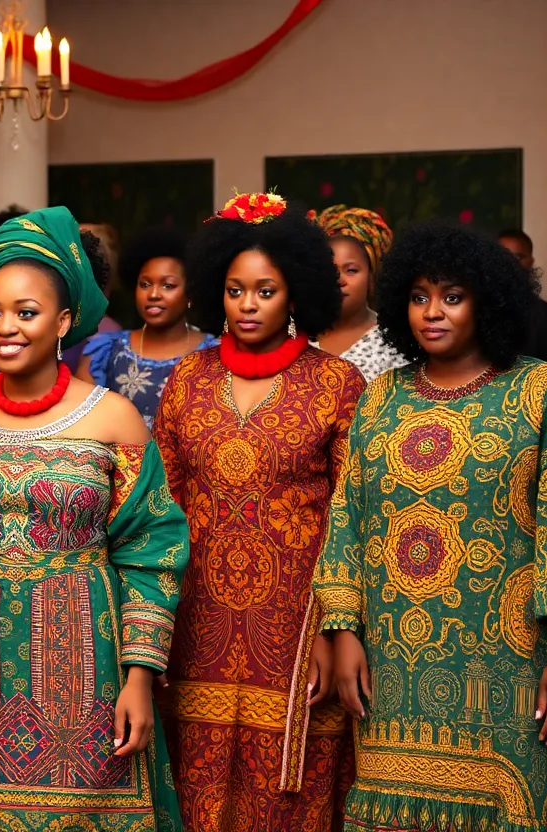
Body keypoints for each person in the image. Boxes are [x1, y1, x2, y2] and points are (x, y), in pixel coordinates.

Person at [0, 206, 189, 831]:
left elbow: (152, 553)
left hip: (89, 663)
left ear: (63, 321)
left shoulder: (113, 418)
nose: (5, 327)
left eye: (26, 312)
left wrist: (139, 678)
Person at [315, 221, 547, 831]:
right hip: (396, 666)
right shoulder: (382, 396)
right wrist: (341, 629)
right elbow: (348, 516)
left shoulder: (543, 392)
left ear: (488, 302)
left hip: (515, 667)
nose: (431, 313)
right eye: (418, 297)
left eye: (452, 296)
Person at [152, 192, 365, 830]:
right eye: (235, 289)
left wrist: (337, 629)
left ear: (295, 293)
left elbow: (353, 514)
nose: (247, 304)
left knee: (287, 799)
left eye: (266, 291)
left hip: (300, 628)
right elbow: (160, 505)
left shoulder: (337, 384)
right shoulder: (186, 380)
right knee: (197, 787)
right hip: (196, 626)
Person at [77, 225, 219, 427]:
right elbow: (82, 424)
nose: (153, 294)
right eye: (145, 284)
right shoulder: (105, 351)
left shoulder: (214, 355)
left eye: (167, 285)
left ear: (191, 293)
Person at [313, 205, 406, 380]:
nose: (339, 280)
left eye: (351, 270)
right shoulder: (297, 334)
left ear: (372, 277)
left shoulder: (393, 341)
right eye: (330, 269)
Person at [498, 228, 547, 370]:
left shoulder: (543, 312)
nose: (511, 262)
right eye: (504, 255)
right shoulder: (475, 306)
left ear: (530, 262)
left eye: (518, 257)